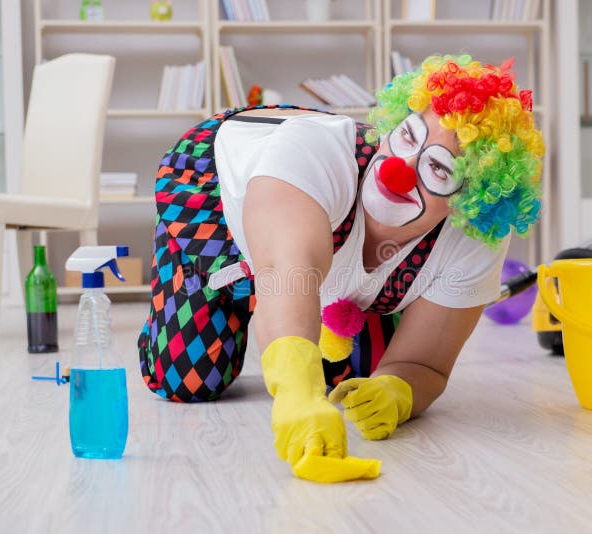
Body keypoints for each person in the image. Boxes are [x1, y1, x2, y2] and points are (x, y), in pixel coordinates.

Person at [138, 53, 545, 482]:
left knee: (356, 382)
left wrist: (397, 392)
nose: (397, 171)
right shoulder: (315, 154)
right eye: (407, 136)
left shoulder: (475, 235)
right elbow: (285, 268)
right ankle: (221, 290)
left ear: (471, 200)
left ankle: (297, 310)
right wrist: (296, 391)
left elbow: (427, 365)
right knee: (189, 379)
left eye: (438, 168)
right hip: (222, 196)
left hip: (313, 258)